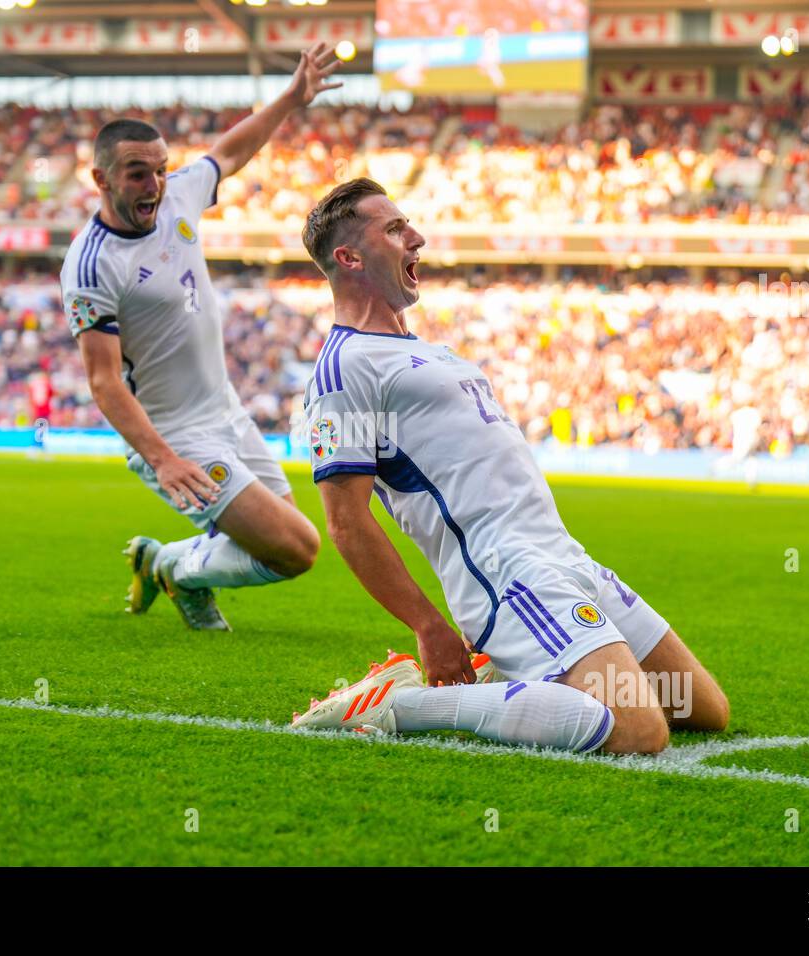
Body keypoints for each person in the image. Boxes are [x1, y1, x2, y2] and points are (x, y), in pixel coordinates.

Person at [291, 179, 729, 753]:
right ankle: (398, 704)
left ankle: (514, 674)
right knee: (637, 731)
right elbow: (347, 522)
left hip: (564, 556)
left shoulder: (427, 349)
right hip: (507, 573)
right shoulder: (344, 369)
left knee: (700, 708)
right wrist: (428, 626)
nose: (416, 238)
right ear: (349, 257)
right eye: (395, 229)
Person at [59, 44, 343, 629]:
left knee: (279, 548)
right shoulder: (91, 266)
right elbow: (104, 382)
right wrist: (161, 459)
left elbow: (230, 151)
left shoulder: (179, 196)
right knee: (298, 547)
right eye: (138, 172)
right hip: (176, 436)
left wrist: (292, 97)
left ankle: (169, 566)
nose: (156, 184)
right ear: (100, 179)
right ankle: (176, 568)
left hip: (226, 414)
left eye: (161, 168)